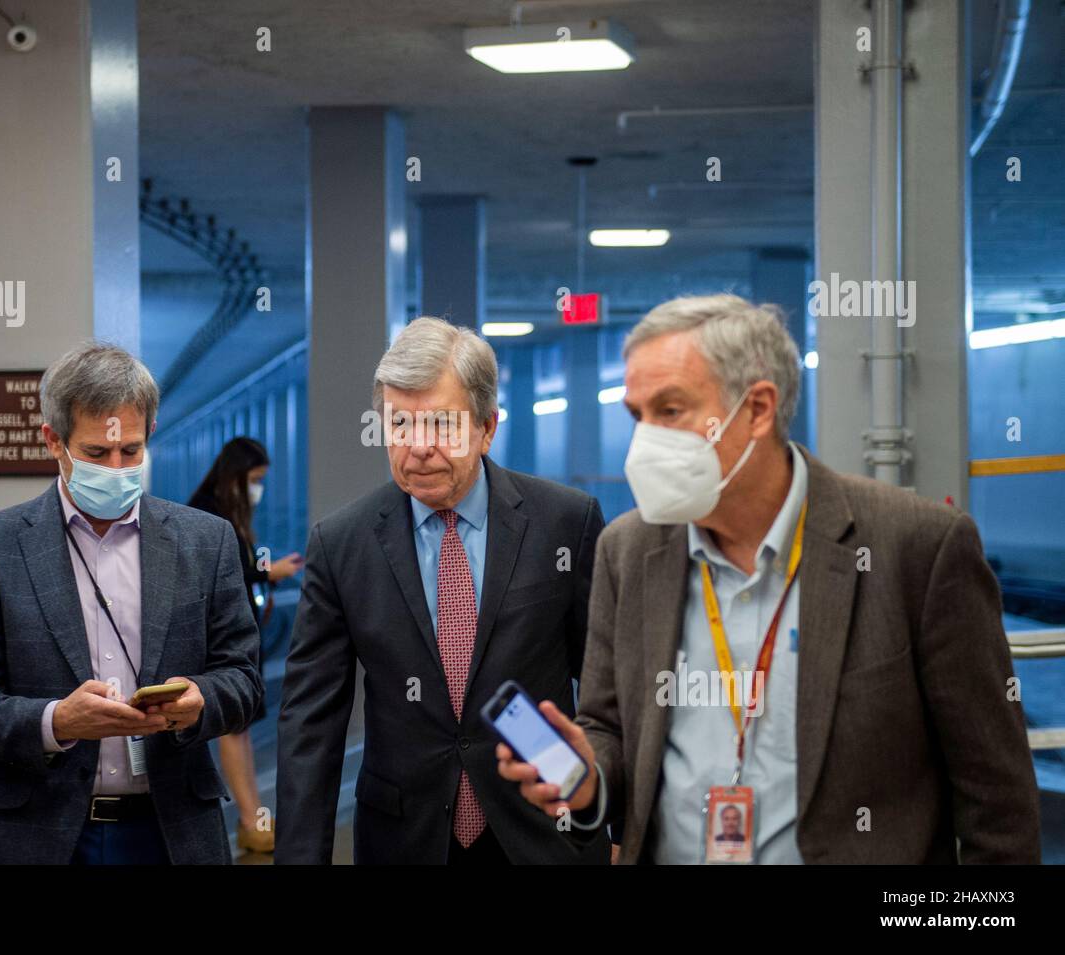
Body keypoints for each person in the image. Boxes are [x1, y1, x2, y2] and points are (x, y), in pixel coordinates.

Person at [498, 293, 1041, 864]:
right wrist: (586, 778)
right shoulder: (628, 551)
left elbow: (996, 802)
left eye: (671, 410)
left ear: (757, 409)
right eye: (639, 416)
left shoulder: (914, 547)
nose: (645, 443)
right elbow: (610, 728)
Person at [276, 317, 610, 865]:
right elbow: (311, 722)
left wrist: (611, 817)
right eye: (400, 424)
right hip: (406, 838)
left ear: (486, 428)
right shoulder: (342, 545)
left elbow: (603, 690)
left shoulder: (564, 524)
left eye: (442, 425)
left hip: (546, 832)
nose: (418, 448)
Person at [0, 341, 263, 864]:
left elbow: (244, 679)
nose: (115, 468)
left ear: (150, 434)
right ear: (53, 441)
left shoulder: (207, 542)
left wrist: (200, 700)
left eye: (130, 451)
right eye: (95, 453)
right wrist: (57, 721)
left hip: (170, 832)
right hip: (36, 835)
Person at [188, 436, 303, 854]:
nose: (258, 489)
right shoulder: (207, 513)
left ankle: (253, 817)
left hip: (237, 637)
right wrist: (265, 574)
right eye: (254, 479)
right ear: (235, 475)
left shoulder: (222, 511)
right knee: (234, 729)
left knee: (242, 730)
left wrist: (264, 571)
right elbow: (226, 572)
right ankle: (250, 819)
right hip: (219, 643)